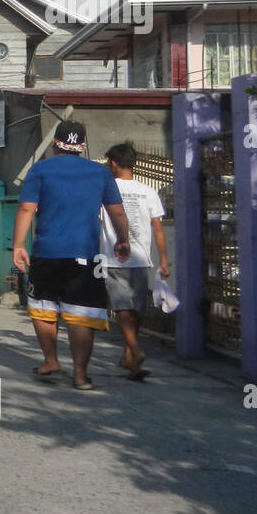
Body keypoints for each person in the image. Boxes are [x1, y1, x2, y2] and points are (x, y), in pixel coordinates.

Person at [12, 120, 130, 391]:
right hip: (86, 253)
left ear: (55, 143)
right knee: (81, 313)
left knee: (43, 309)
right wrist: (123, 240)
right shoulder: (100, 174)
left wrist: (19, 245)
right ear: (83, 146)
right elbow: (117, 213)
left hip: (47, 252)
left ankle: (51, 361)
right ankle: (80, 375)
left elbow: (27, 209)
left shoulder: (40, 170)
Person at [100, 141, 169, 381]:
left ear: (114, 164)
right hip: (142, 259)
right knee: (136, 310)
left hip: (114, 257)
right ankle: (131, 358)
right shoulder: (148, 191)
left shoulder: (106, 188)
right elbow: (158, 228)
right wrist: (164, 260)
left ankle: (135, 351)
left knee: (121, 309)